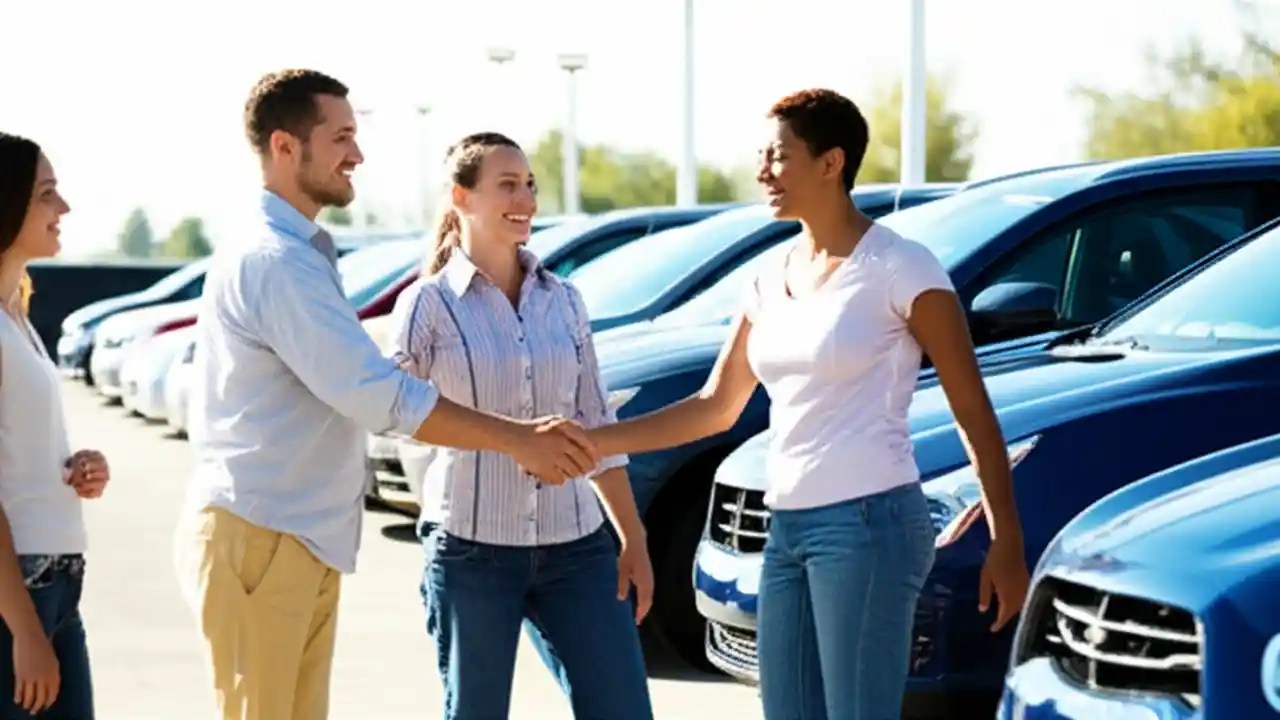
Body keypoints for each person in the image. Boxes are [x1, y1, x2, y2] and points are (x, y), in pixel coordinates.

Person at [588, 89, 1031, 719]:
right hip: (786, 527)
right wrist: (595, 440)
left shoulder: (903, 268)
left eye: (778, 156)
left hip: (869, 526)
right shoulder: (769, 277)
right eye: (762, 156)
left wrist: (1004, 539)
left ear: (831, 163)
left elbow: (972, 411)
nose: (763, 171)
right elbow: (715, 405)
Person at [171, 70, 600, 720]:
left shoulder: (300, 253)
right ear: (286, 147)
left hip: (290, 537)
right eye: (341, 136)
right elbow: (376, 394)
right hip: (262, 535)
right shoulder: (275, 261)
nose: (358, 155)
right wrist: (518, 439)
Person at [387, 131, 654, 720]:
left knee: (624, 710)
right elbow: (396, 410)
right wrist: (508, 437)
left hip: (579, 549)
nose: (526, 199)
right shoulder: (428, 304)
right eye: (507, 185)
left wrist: (631, 537)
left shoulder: (564, 300)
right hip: (470, 552)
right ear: (461, 197)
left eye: (529, 184)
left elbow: (595, 421)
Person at [0, 132, 111, 720]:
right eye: (47, 194)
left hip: (58, 580)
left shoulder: (17, 314)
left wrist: (76, 465)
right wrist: (23, 629)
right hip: (19, 593)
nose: (62, 208)